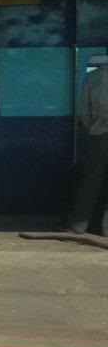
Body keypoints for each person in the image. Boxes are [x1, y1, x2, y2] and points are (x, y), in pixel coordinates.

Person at [68, 54, 108, 234]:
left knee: (91, 181)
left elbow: (85, 111)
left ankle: (79, 224)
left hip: (99, 135)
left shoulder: (93, 77)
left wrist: (91, 129)